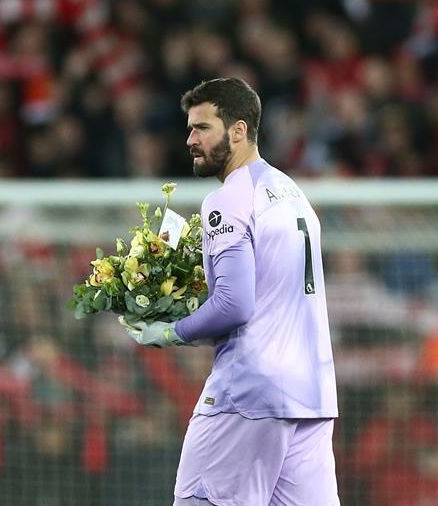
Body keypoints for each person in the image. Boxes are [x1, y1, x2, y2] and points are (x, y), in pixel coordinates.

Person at [120, 77, 340, 505]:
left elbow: (235, 305)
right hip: (311, 395)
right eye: (189, 129)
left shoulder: (228, 199)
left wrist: (169, 331)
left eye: (202, 127)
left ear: (238, 130)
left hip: (248, 395)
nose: (190, 139)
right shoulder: (292, 193)